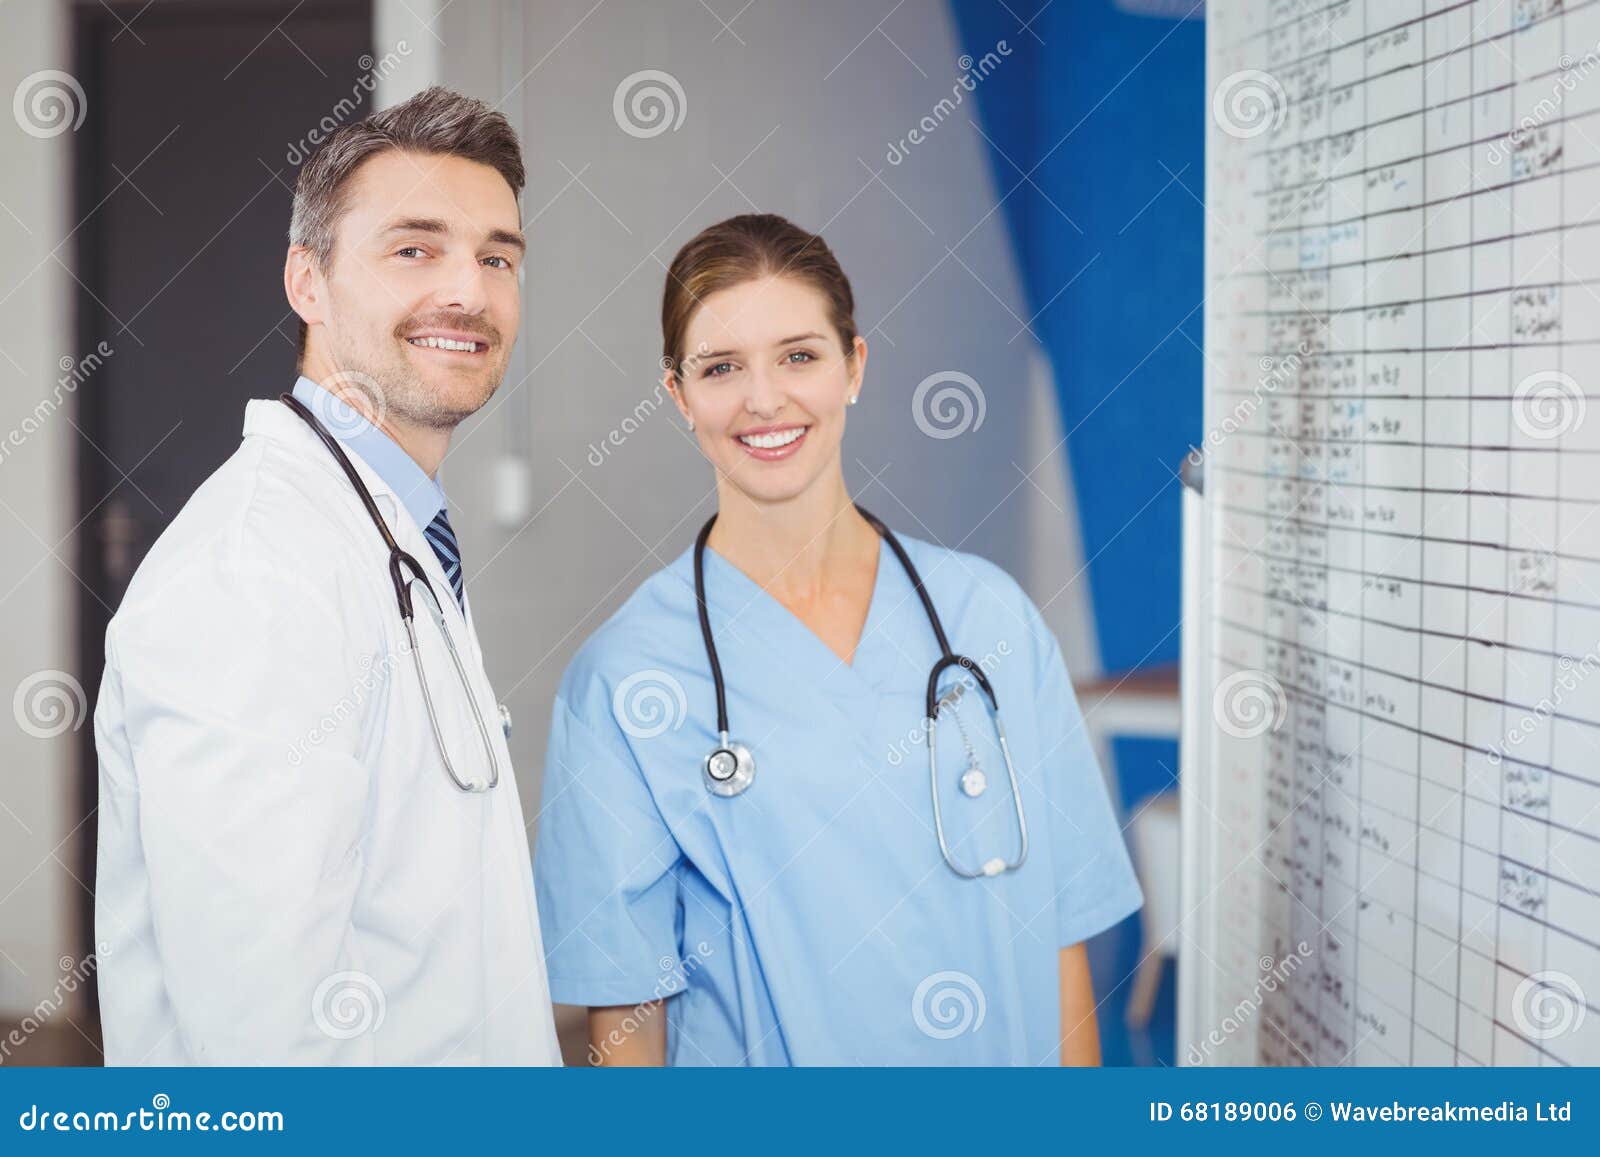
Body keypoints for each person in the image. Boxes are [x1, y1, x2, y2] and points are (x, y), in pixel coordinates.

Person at [533, 213, 1142, 1066]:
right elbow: (625, 1012)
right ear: (677, 396)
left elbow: (1062, 930)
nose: (764, 399)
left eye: (799, 355)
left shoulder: (990, 620)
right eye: (720, 368)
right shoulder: (624, 680)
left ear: (854, 366)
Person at [93, 86, 560, 1065]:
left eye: (497, 256)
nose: (468, 292)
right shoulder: (256, 574)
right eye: (413, 248)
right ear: (308, 282)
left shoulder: (390, 532)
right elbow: (268, 1039)